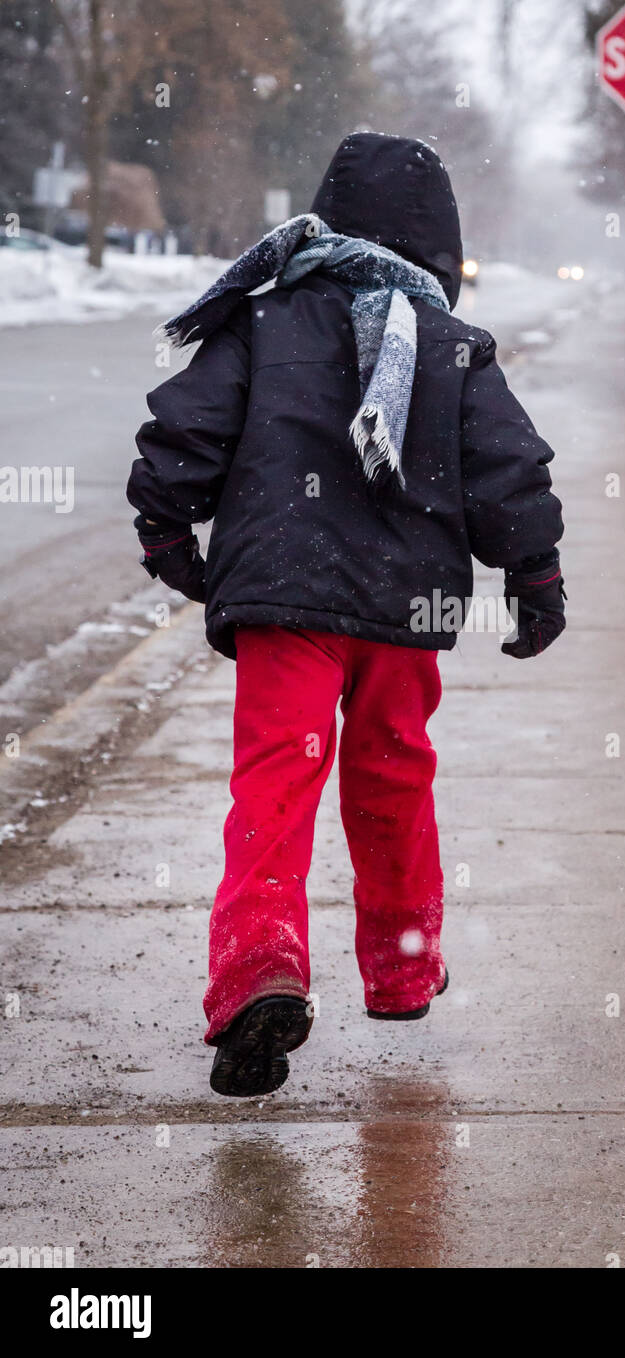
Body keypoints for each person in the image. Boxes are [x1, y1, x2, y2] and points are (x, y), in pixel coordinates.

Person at [126, 133, 565, 1098]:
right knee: (394, 774)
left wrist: (168, 532)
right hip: (404, 609)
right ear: (440, 246)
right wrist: (534, 574)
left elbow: (186, 428)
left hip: (286, 604)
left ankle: (258, 970)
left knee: (276, 783)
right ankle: (403, 966)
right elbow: (506, 467)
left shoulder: (264, 317)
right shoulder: (449, 346)